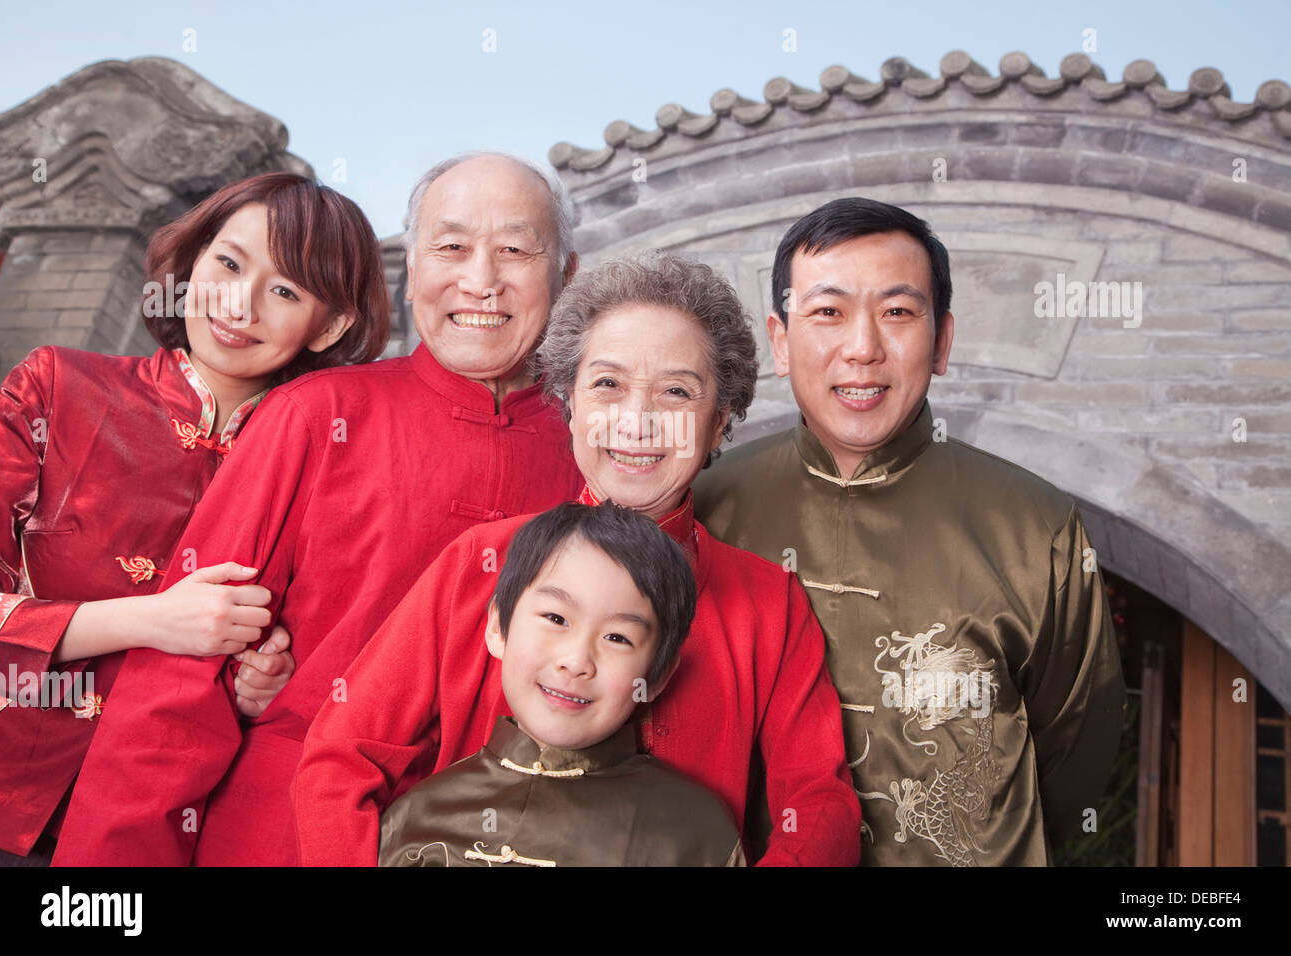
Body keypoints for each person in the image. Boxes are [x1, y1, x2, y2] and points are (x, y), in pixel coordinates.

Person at [54, 153, 585, 866]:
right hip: (275, 832)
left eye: (515, 250)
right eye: (451, 247)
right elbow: (176, 688)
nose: (479, 279)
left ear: (566, 274)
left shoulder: (590, 452)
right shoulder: (316, 413)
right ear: (413, 267)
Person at [294, 254, 861, 867]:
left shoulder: (767, 601)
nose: (636, 422)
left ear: (718, 421)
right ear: (568, 404)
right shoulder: (482, 563)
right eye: (607, 384)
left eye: (676, 392)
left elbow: (820, 803)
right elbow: (339, 763)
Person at [694, 197, 1127, 866]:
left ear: (943, 339)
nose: (863, 348)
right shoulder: (708, 507)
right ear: (781, 341)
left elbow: (1074, 750)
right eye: (828, 313)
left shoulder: (1034, 525)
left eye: (898, 313)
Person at [0, 171, 390, 864]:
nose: (240, 304)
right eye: (229, 263)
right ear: (193, 259)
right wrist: (150, 621)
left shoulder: (327, 464)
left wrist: (264, 686)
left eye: (286, 291)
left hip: (166, 826)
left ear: (331, 326)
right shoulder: (56, 386)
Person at [379, 501, 744, 867]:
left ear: (657, 675)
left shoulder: (696, 834)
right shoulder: (416, 819)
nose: (576, 662)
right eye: (556, 617)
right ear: (497, 627)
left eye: (617, 638)